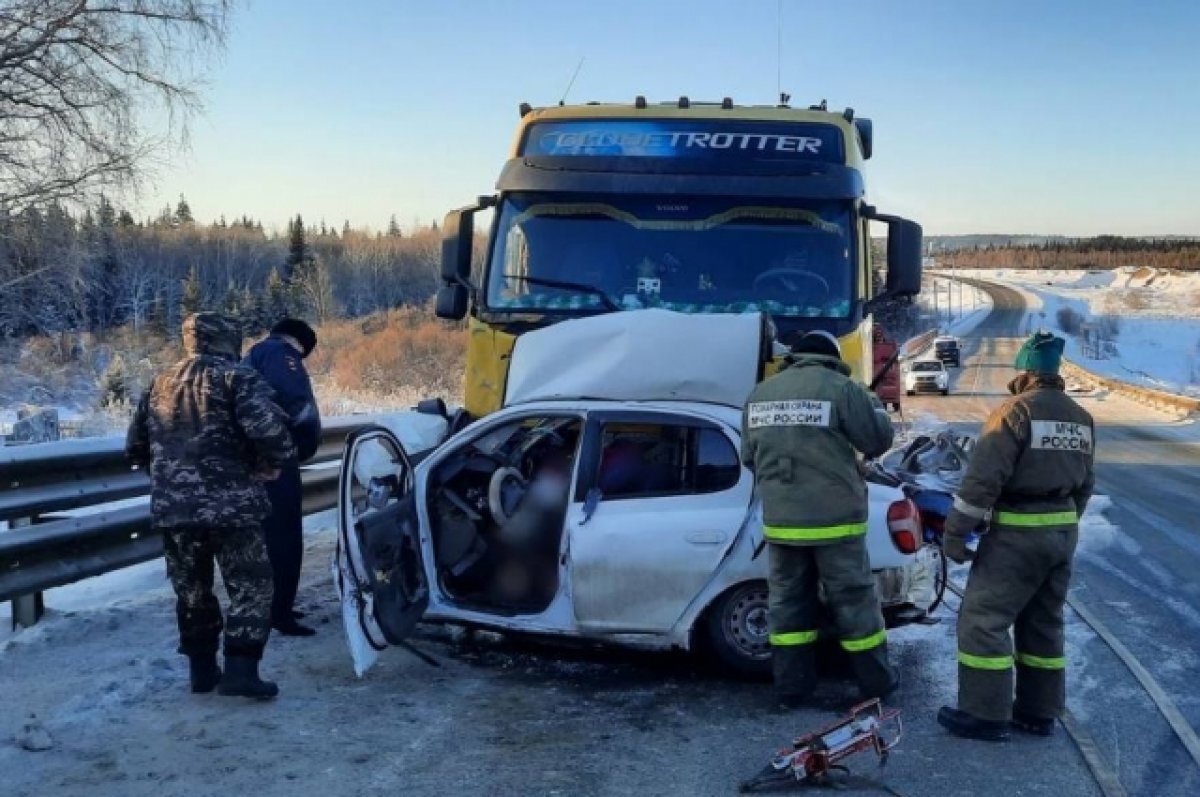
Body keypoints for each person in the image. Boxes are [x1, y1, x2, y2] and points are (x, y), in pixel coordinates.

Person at [126, 312, 295, 699]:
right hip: (232, 507)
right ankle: (241, 670)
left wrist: (169, 477)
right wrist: (271, 463)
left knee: (192, 590)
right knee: (251, 586)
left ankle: (201, 671)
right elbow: (270, 432)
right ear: (227, 339)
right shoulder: (238, 377)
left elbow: (135, 446)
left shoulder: (158, 383)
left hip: (174, 510)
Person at [938, 332, 1095, 741]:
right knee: (1043, 624)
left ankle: (985, 715)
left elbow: (982, 482)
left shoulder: (1014, 412)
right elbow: (1085, 485)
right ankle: (1038, 712)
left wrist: (955, 534)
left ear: (1025, 372)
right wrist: (1060, 522)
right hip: (1062, 533)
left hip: (1017, 534)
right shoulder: (1080, 417)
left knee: (983, 622)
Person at [741, 330, 898, 708]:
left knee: (788, 605)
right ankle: (875, 684)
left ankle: (791, 689)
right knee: (855, 602)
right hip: (836, 523)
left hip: (782, 523)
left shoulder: (760, 394)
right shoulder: (842, 389)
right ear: (832, 358)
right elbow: (877, 440)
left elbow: (749, 458)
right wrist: (873, 406)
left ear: (794, 357)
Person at [244, 318, 322, 636]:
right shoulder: (280, 354)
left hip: (253, 460)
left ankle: (270, 606)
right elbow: (296, 402)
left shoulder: (254, 354)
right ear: (300, 343)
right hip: (276, 460)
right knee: (285, 538)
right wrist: (303, 442)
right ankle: (280, 612)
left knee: (262, 541)